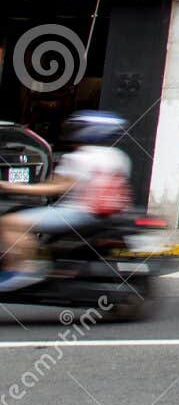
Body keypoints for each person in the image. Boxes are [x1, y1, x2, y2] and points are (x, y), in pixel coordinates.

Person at [0, 110, 132, 291]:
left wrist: (10, 187)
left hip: (77, 212)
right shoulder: (118, 156)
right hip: (106, 216)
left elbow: (56, 187)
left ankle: (22, 270)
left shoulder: (79, 158)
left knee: (10, 222)